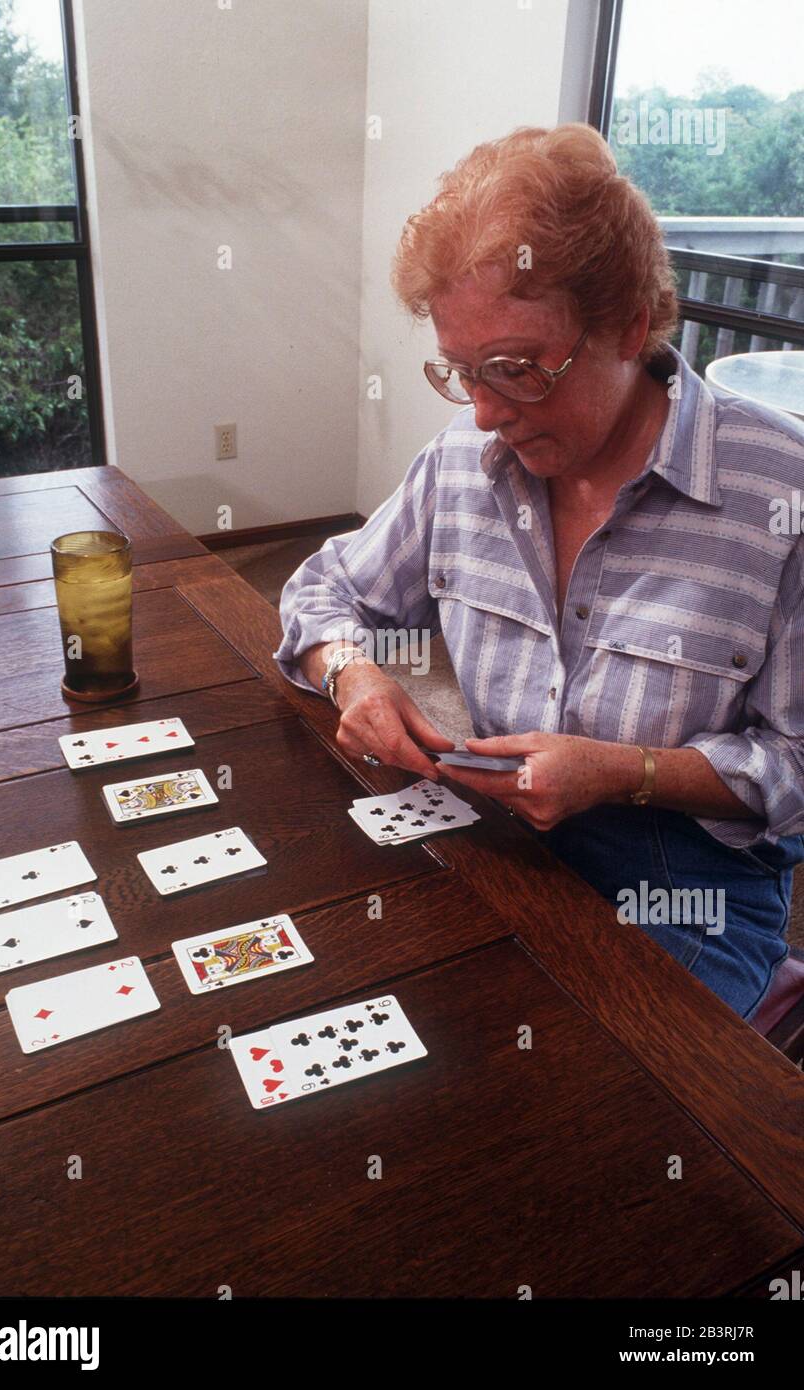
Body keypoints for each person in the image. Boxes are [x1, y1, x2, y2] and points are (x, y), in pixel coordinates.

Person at [273, 123, 804, 1021]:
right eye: (461, 373)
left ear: (630, 324)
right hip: (501, 835)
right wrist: (353, 673)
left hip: (691, 892)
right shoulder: (462, 466)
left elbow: (795, 764)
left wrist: (625, 771)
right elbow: (325, 591)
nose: (484, 413)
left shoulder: (777, 494)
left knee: (588, 1115)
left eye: (517, 370)